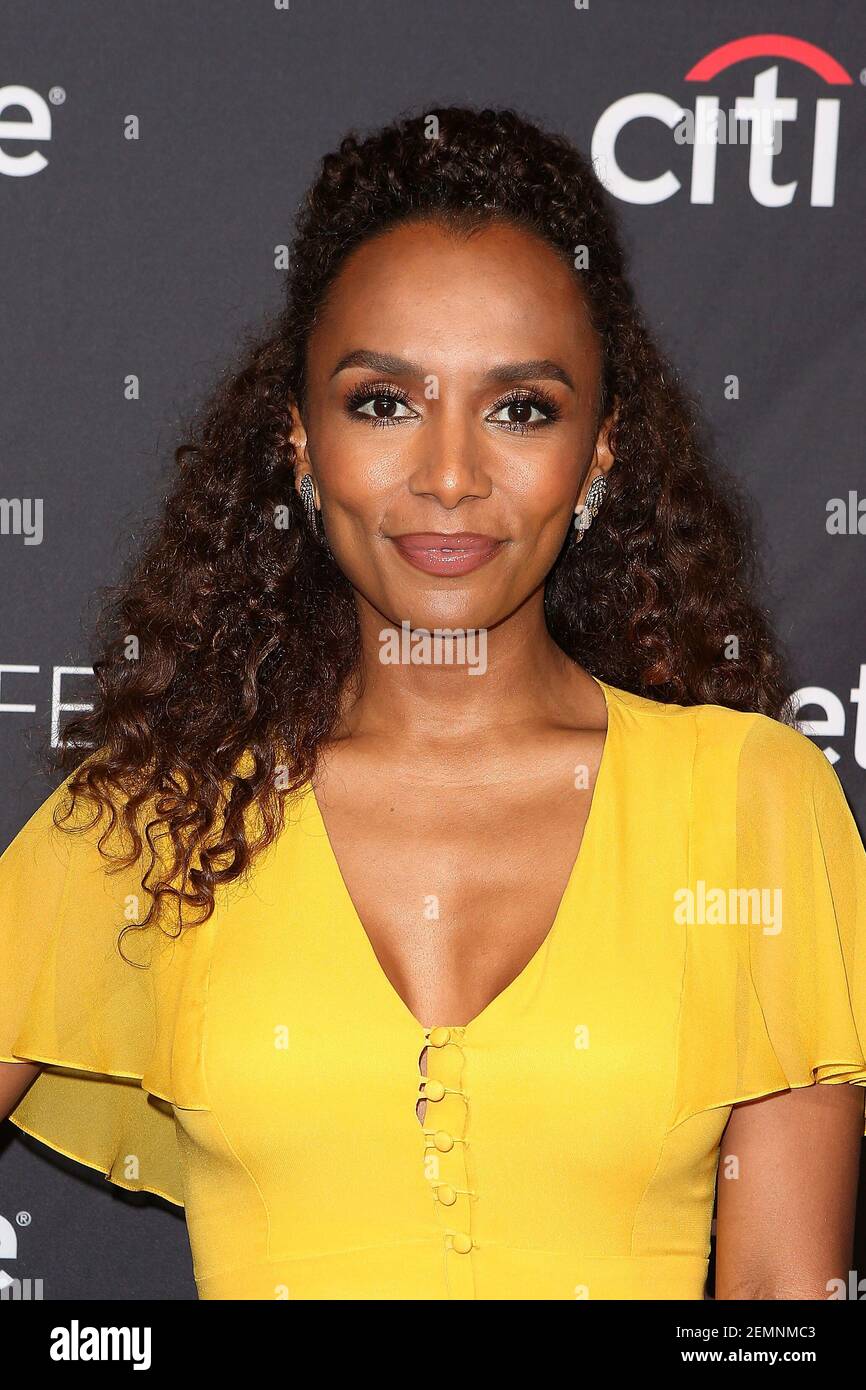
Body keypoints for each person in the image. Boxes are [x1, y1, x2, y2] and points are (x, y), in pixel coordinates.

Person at [1, 105, 864, 1302]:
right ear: (299, 443)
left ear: (600, 450)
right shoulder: (161, 809)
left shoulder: (749, 800)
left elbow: (778, 1300)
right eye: (382, 401)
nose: (450, 477)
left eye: (521, 408)